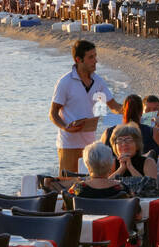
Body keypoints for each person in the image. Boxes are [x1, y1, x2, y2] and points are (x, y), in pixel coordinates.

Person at [51, 39, 124, 175]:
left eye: (95, 56)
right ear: (78, 60)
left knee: (89, 183)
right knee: (67, 184)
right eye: (91, 57)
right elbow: (53, 114)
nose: (95, 60)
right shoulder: (65, 82)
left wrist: (134, 109)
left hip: (91, 145)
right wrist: (65, 127)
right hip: (69, 145)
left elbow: (113, 106)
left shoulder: (98, 82)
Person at [99, 93, 158, 158]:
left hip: (116, 166)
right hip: (144, 166)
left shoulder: (108, 132)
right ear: (141, 112)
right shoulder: (151, 131)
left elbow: (98, 155)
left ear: (123, 111)